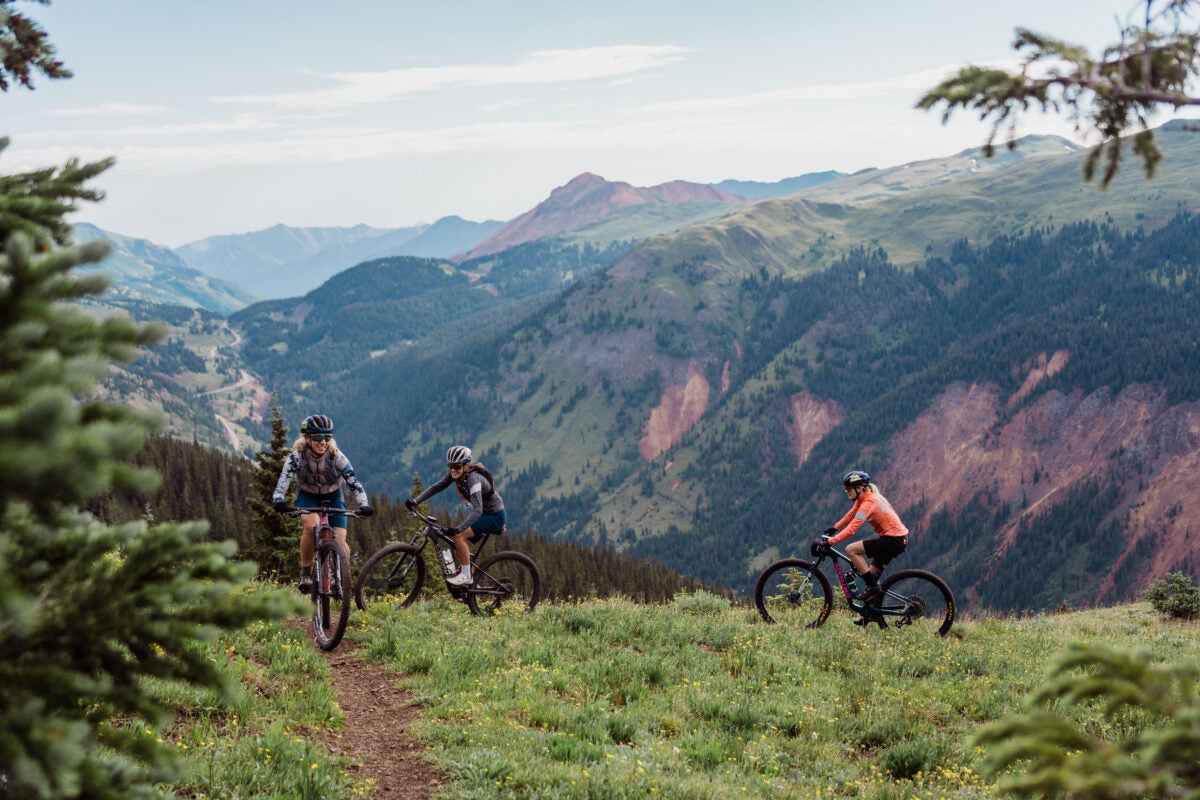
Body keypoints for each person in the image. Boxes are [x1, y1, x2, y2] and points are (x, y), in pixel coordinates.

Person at [272, 414, 374, 592]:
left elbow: (353, 481)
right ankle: (305, 573)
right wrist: (278, 499)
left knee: (340, 542)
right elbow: (284, 479)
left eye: (327, 437)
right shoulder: (297, 456)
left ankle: (335, 576)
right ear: (307, 438)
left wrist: (363, 504)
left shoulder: (336, 456)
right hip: (307, 495)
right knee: (312, 526)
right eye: (318, 437)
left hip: (333, 495)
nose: (323, 442)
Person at [405, 445, 506, 586]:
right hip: (485, 515)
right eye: (450, 465)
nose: (453, 470)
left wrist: (458, 529)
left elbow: (477, 510)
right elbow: (437, 486)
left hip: (494, 516)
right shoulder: (458, 474)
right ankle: (469, 588)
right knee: (460, 549)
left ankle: (466, 576)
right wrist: (415, 501)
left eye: (456, 466)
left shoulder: (473, 479)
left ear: (467, 466)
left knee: (459, 536)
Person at [814, 470, 908, 615]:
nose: (846, 491)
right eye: (846, 489)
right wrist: (834, 528)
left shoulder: (869, 501)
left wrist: (830, 542)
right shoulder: (863, 499)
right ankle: (871, 615)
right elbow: (850, 515)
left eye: (849, 488)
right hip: (895, 540)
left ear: (860, 488)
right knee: (872, 577)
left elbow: (852, 528)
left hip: (893, 541)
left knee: (851, 550)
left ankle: (872, 588)